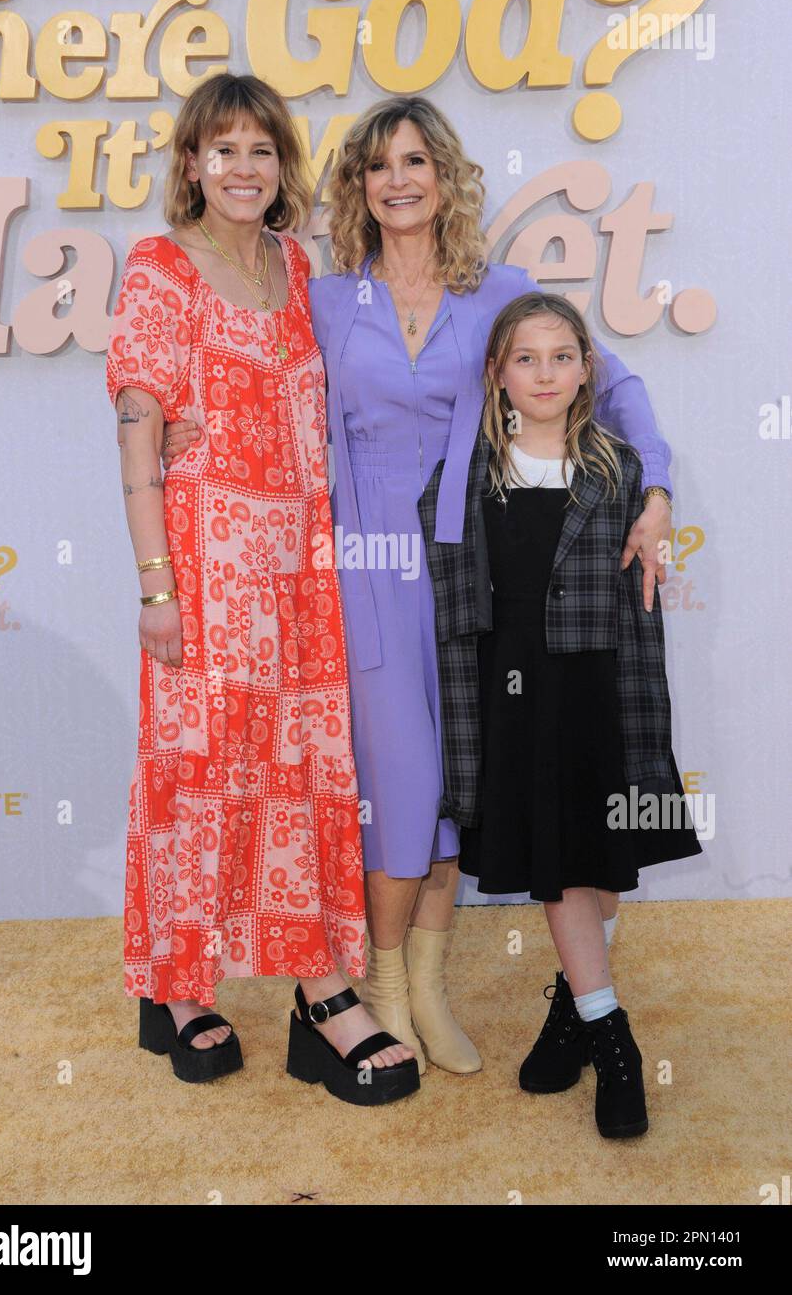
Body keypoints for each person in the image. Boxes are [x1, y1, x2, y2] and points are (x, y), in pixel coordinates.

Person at [163, 95, 675, 1079]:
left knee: (453, 793)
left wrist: (654, 486)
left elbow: (614, 385)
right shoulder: (325, 295)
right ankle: (378, 990)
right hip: (357, 581)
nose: (397, 180)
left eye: (416, 162)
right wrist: (178, 430)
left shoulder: (497, 295)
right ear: (358, 185)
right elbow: (244, 372)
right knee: (400, 790)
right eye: (377, 165)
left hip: (472, 579)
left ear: (445, 177)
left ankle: (426, 992)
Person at [105, 72, 418, 1103]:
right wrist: (158, 584)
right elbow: (139, 435)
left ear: (282, 168)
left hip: (301, 569)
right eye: (222, 149)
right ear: (191, 163)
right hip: (202, 561)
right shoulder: (159, 267)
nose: (243, 168)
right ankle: (179, 984)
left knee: (303, 769)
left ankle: (320, 988)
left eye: (261, 150)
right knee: (201, 769)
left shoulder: (299, 264)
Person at [417, 290, 703, 1136]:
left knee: (599, 862)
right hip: (514, 699)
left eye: (563, 357)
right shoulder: (470, 473)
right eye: (525, 359)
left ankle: (571, 1009)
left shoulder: (619, 471)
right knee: (564, 868)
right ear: (498, 376)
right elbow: (451, 594)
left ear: (587, 372)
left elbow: (637, 603)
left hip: (603, 696)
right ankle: (614, 1039)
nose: (545, 374)